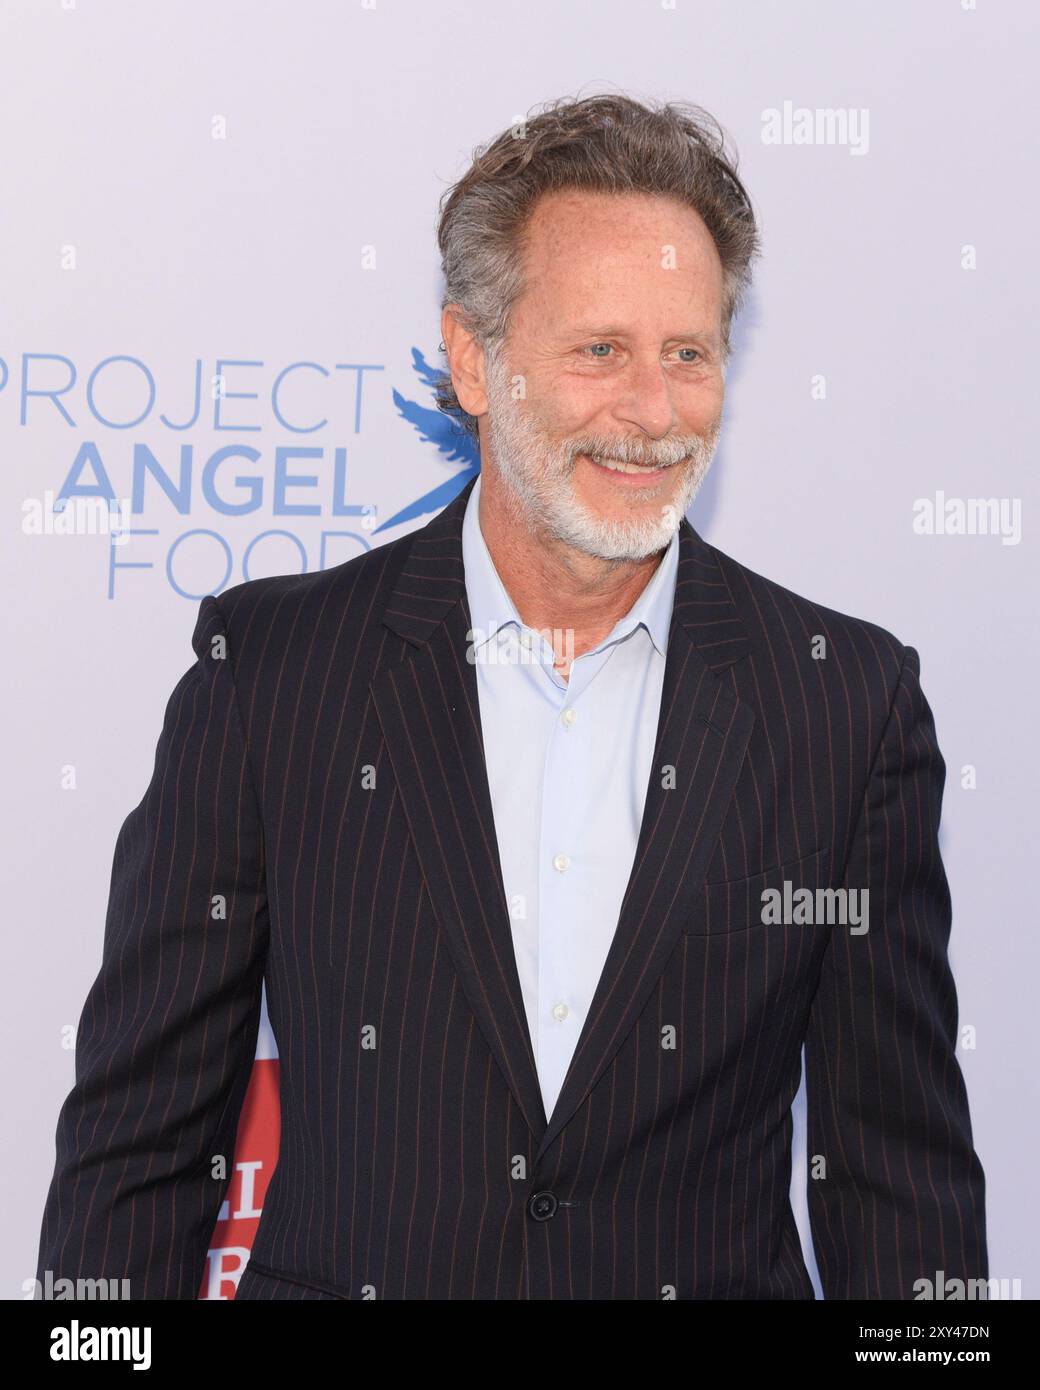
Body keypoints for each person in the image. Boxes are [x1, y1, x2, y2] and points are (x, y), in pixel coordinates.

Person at [36, 92, 987, 1300]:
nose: (651, 411)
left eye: (686, 354)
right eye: (599, 350)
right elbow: (139, 1145)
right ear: (472, 360)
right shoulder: (273, 674)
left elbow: (896, 1180)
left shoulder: (844, 704)